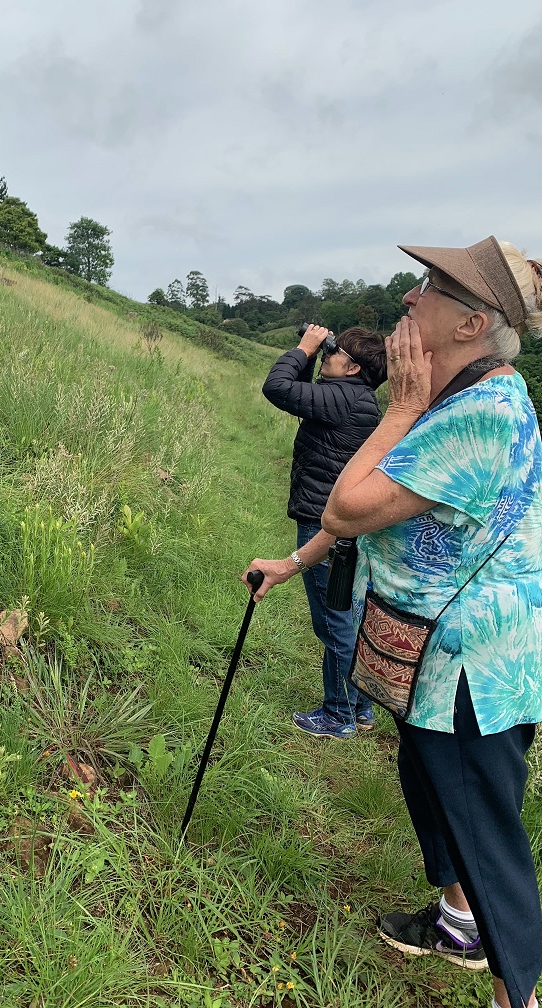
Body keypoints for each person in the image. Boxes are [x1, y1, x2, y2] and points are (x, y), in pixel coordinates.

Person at [244, 236, 542, 1008]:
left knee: (486, 833)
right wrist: (296, 562)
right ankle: (456, 925)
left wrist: (401, 406)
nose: (410, 299)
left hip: (472, 664)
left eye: (429, 287)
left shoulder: (477, 412)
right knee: (425, 781)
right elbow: (376, 514)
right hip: (428, 659)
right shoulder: (457, 395)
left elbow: (349, 503)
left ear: (473, 322)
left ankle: (520, 991)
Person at [261, 324, 387, 739]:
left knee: (334, 620)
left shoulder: (343, 398)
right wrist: (315, 355)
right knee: (349, 612)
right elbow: (300, 392)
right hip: (343, 522)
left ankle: (338, 715)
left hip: (324, 522)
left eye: (335, 352)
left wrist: (304, 347)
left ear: (352, 368)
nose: (326, 354)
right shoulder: (356, 398)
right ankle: (360, 705)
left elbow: (278, 388)